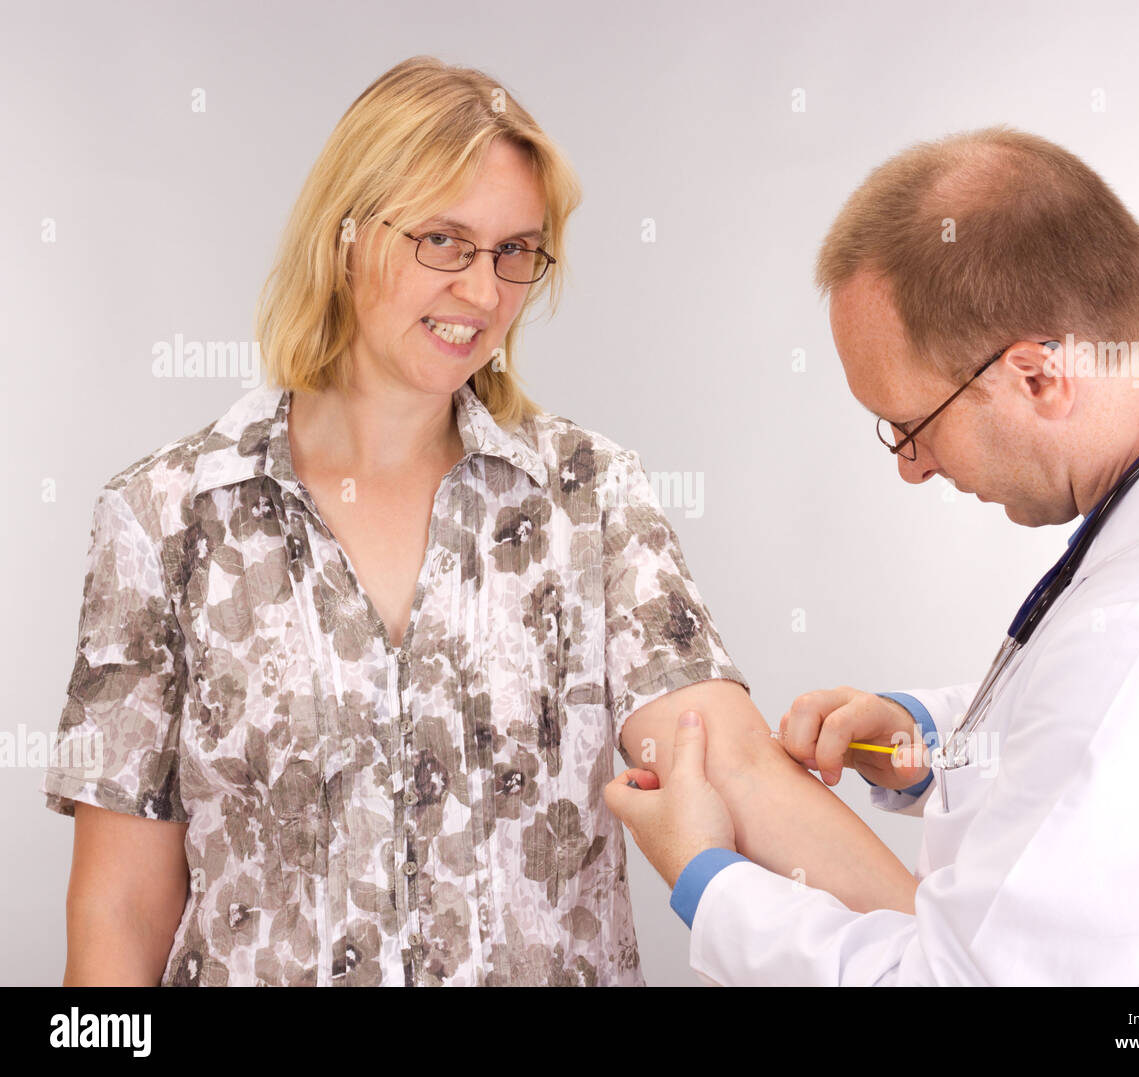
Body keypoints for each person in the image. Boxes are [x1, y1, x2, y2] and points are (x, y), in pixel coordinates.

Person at [43, 56, 916, 987]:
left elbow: (730, 762)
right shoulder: (165, 515)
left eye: (514, 251)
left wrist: (957, 951)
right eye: (444, 241)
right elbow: (121, 907)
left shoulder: (591, 497)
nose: (483, 290)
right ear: (343, 236)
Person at [605, 127, 1139, 986]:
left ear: (1038, 377)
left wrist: (709, 881)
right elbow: (1100, 743)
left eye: (913, 426)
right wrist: (940, 738)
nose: (910, 467)